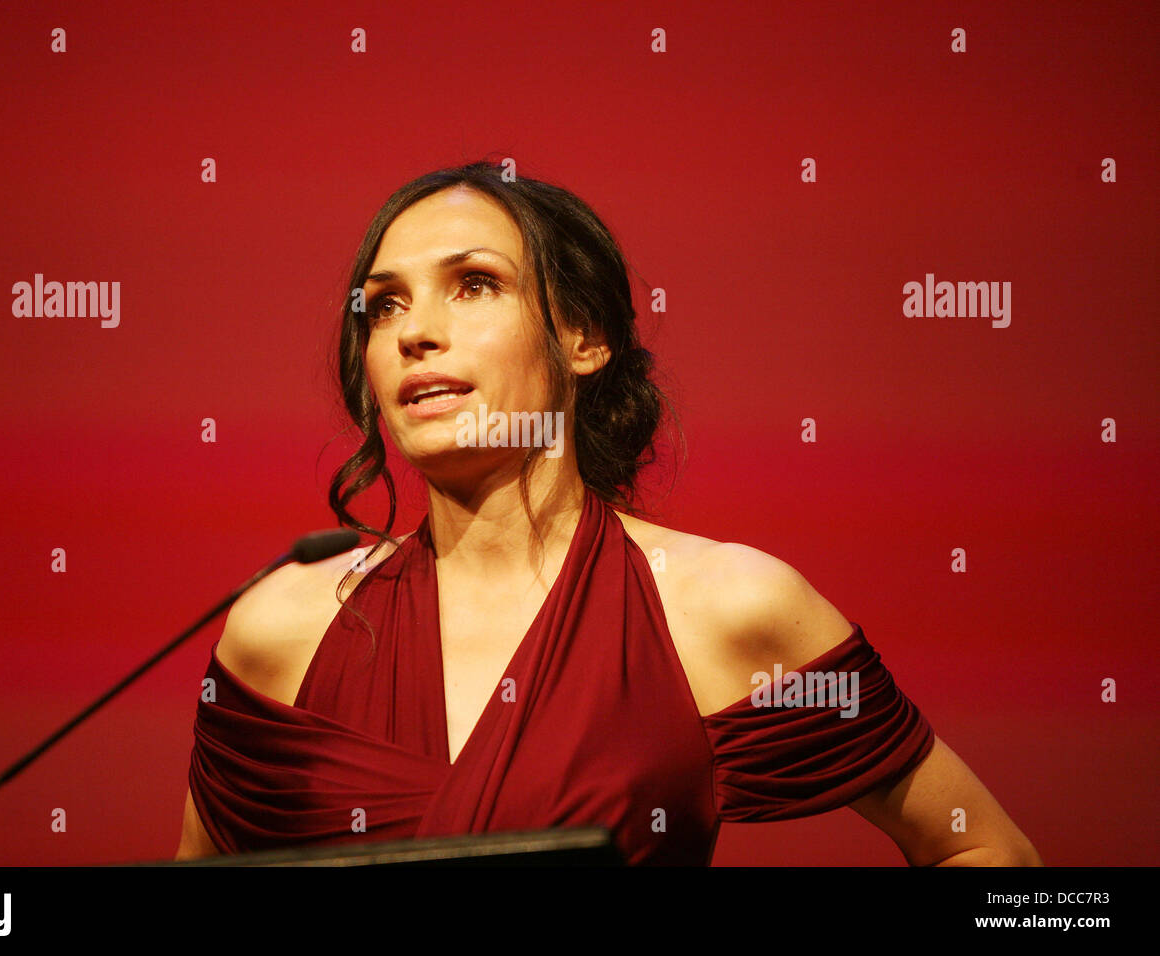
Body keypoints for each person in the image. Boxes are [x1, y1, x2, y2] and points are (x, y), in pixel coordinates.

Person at [176, 161, 1041, 866]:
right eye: (385, 303)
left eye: (474, 285)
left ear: (585, 338)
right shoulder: (278, 626)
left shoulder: (724, 606)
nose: (414, 332)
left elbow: (992, 859)